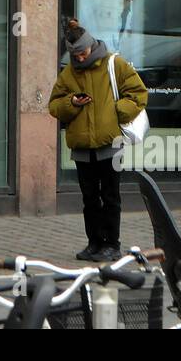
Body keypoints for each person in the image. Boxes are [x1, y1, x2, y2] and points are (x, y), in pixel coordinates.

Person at [49, 19, 148, 263]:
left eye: (82, 53)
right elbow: (54, 105)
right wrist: (72, 103)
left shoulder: (115, 63)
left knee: (111, 197)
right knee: (89, 199)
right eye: (75, 56)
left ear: (91, 46)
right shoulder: (68, 73)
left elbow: (138, 93)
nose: (80, 59)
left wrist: (118, 111)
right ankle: (94, 243)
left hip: (110, 144)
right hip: (82, 147)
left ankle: (112, 244)